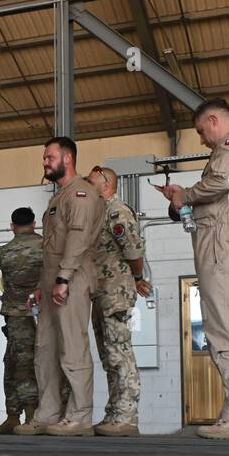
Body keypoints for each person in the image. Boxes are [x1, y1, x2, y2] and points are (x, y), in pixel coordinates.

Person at [157, 99, 229, 439]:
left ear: (215, 120)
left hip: (224, 247)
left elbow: (221, 180)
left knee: (226, 330)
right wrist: (182, 200)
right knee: (226, 327)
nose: (203, 141)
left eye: (203, 132)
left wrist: (186, 195)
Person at [16, 137, 106, 437]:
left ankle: (80, 416)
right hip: (54, 284)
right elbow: (51, 247)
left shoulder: (81, 193)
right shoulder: (58, 198)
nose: (45, 162)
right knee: (46, 350)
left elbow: (78, 241)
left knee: (72, 347)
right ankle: (48, 413)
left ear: (67, 158)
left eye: (49, 157)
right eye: (44, 158)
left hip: (73, 281)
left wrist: (64, 278)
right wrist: (45, 283)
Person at [86, 166, 149, 437]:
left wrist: (137, 277)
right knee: (108, 356)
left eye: (91, 182)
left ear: (105, 181)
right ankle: (114, 412)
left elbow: (133, 248)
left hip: (116, 293)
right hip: (101, 292)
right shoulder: (99, 213)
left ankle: (126, 416)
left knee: (119, 353)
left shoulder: (116, 211)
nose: (88, 188)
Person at [0, 207, 43, 434]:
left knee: (18, 365)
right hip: (45, 317)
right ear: (34, 224)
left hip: (17, 319)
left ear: (12, 227)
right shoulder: (47, 247)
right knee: (35, 364)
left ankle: (20, 416)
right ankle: (22, 417)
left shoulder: (5, 252)